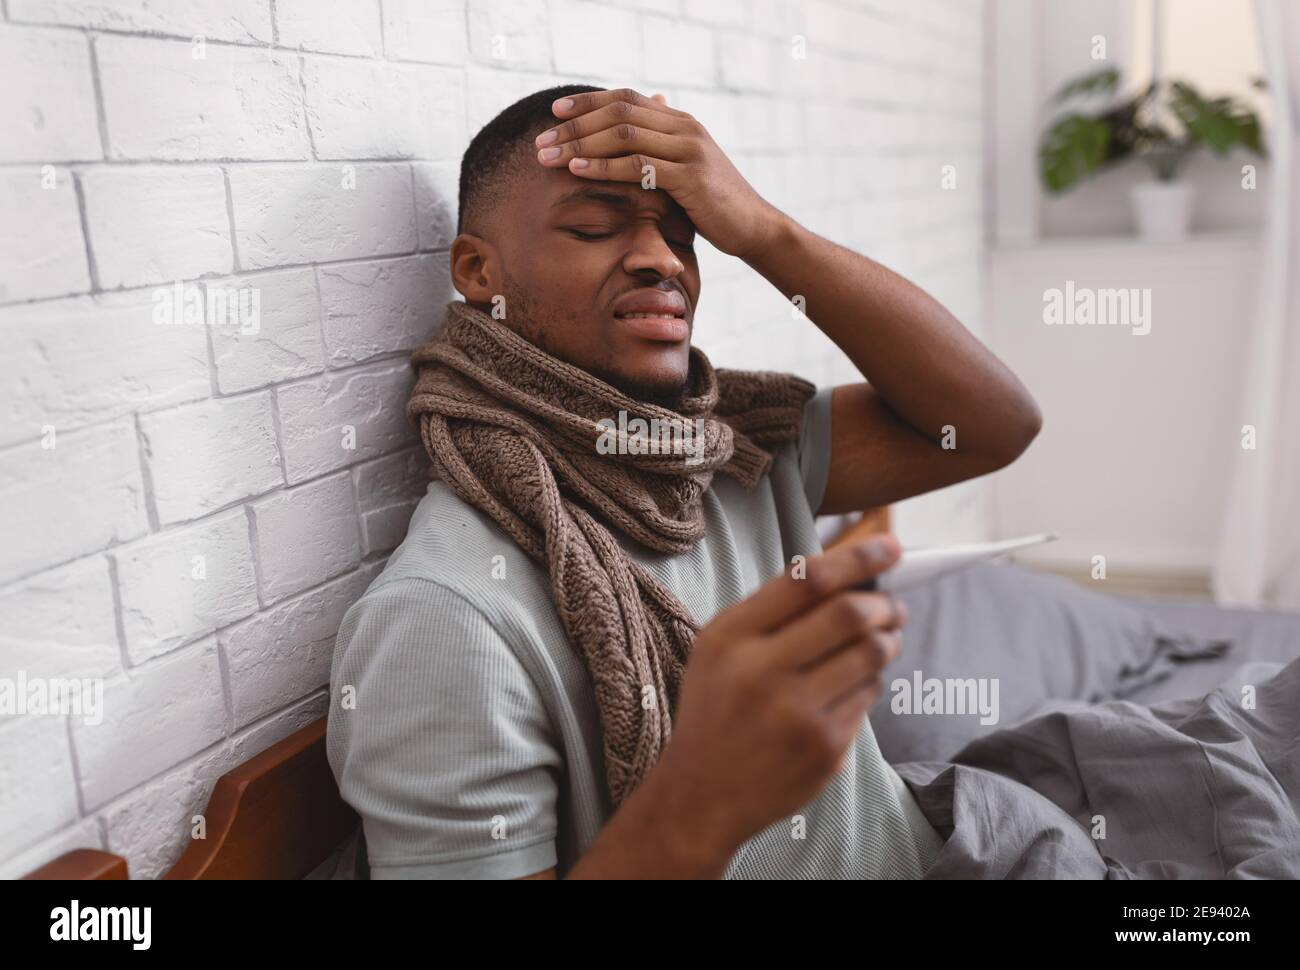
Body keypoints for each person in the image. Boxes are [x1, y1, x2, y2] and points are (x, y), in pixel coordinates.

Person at [326, 84, 1042, 879]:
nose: (661, 259)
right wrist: (706, 795)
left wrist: (762, 230)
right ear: (477, 271)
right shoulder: (446, 618)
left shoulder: (733, 449)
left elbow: (995, 424)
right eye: (593, 227)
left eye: (685, 236)